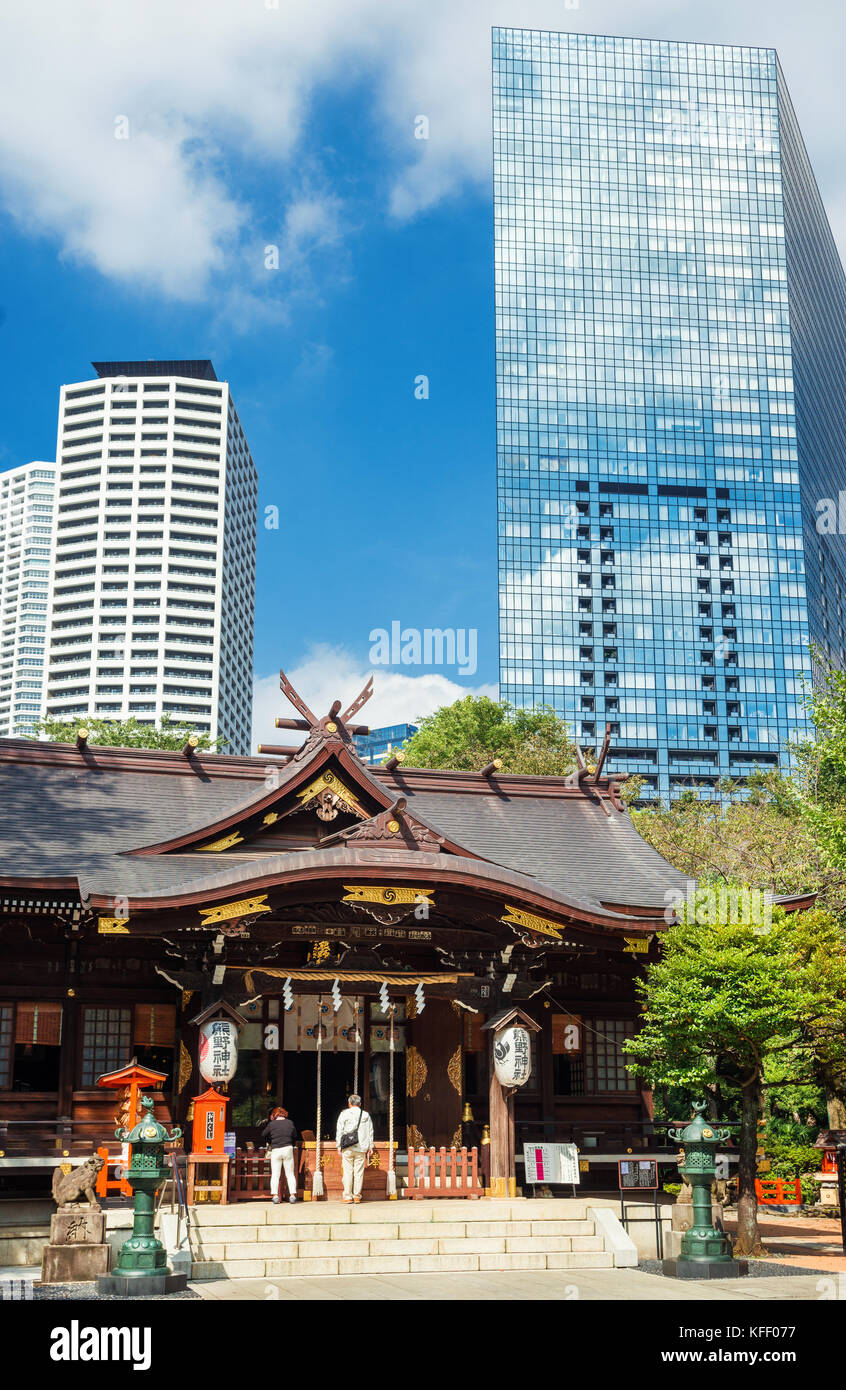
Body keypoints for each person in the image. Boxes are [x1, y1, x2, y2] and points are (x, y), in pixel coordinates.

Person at [335, 1094, 374, 1203]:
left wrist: (338, 1146)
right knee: (359, 1172)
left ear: (349, 1103)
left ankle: (347, 1196)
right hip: (361, 1147)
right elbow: (370, 1131)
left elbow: (340, 1130)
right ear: (360, 1104)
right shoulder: (365, 1115)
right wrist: (370, 1146)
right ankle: (357, 1196)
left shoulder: (344, 1114)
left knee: (347, 1172)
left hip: (347, 1146)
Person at [261, 1106, 299, 1204]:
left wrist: (271, 1137)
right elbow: (295, 1135)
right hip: (288, 1149)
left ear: (274, 1115)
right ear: (285, 1114)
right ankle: (292, 1195)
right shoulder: (290, 1123)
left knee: (275, 1174)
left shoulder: (272, 1124)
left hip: (276, 1149)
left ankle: (275, 1196)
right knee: (290, 1174)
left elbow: (263, 1134)